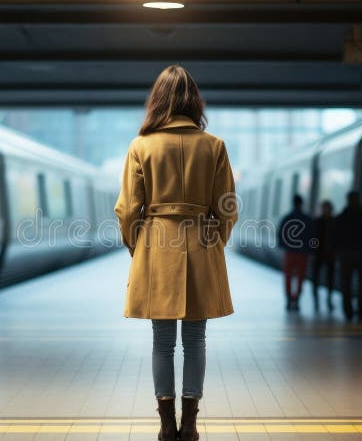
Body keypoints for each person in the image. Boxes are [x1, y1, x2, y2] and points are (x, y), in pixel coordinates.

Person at [114, 65, 237, 441]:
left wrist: (137, 245)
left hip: (156, 245)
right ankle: (191, 424)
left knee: (162, 342)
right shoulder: (214, 146)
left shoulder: (141, 146)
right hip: (201, 242)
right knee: (196, 341)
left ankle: (167, 425)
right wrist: (215, 243)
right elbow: (227, 207)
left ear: (158, 101)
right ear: (195, 102)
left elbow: (127, 209)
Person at [331, 191, 362, 321]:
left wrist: (335, 252)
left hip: (345, 255)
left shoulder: (340, 219)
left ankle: (348, 311)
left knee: (345, 284)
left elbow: (333, 237)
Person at [277, 194, 315, 311]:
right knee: (300, 277)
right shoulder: (307, 219)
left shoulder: (287, 217)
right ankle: (297, 299)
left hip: (289, 253)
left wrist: (283, 246)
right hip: (303, 254)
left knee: (288, 276)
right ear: (302, 203)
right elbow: (312, 235)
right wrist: (311, 250)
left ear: (293, 203)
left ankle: (289, 299)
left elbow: (281, 234)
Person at [311, 200, 336, 313]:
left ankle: (328, 298)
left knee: (329, 278)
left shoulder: (332, 222)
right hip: (319, 254)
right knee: (316, 277)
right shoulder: (319, 221)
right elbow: (313, 237)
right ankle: (316, 299)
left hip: (329, 254)